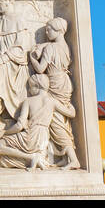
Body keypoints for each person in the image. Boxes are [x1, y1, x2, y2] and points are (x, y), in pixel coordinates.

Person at [0, 74, 76, 170]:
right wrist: (70, 105)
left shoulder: (28, 101)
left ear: (37, 86)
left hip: (30, 135)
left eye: (30, 87)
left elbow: (19, 125)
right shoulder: (52, 101)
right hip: (43, 138)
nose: (29, 91)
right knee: (6, 160)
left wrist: (4, 132)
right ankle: (35, 157)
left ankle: (31, 157)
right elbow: (71, 114)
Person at [29, 17, 80, 169]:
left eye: (49, 29)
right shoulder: (65, 47)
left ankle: (73, 159)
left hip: (54, 83)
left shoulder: (51, 48)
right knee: (61, 121)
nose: (46, 32)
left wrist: (31, 58)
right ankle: (64, 156)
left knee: (56, 122)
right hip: (64, 82)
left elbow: (39, 69)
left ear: (58, 30)